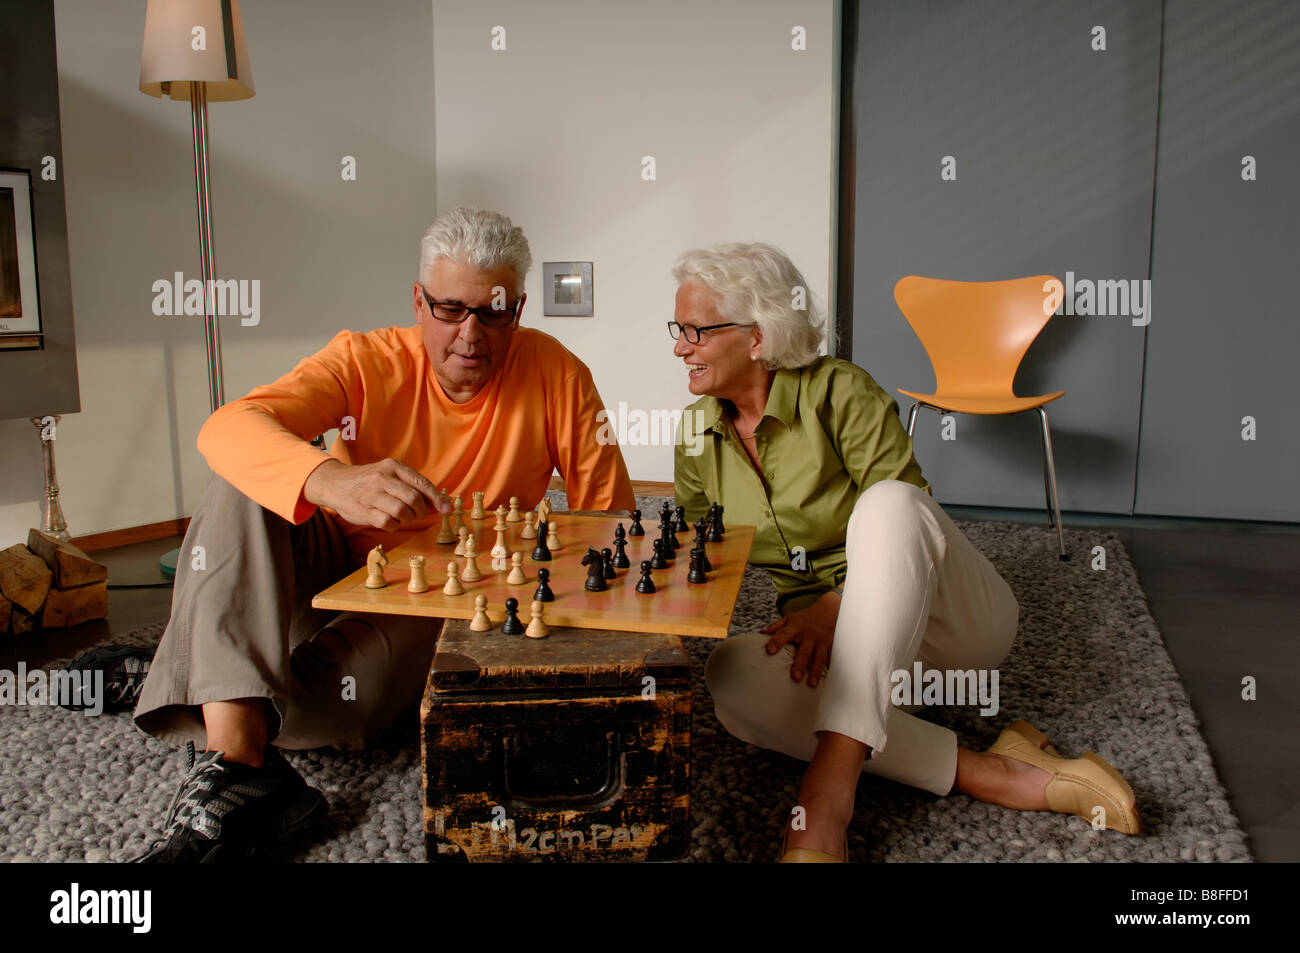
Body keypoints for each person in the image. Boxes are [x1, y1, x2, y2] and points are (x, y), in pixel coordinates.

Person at [132, 207, 635, 861]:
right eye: (450, 309)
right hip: (323, 567)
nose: (470, 335)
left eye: (494, 312)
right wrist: (325, 478)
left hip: (439, 590)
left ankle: (206, 665)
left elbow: (610, 522)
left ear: (519, 309)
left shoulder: (558, 372)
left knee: (353, 712)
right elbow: (226, 427)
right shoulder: (362, 359)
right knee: (240, 479)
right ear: (417, 302)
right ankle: (241, 762)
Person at [670, 242, 1141, 862]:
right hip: (855, 666)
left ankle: (828, 795)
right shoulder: (694, 434)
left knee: (889, 503)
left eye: (697, 331)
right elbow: (696, 558)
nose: (680, 347)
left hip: (951, 627)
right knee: (731, 678)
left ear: (757, 336)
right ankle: (999, 770)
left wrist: (834, 608)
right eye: (678, 329)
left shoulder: (840, 391)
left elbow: (910, 521)